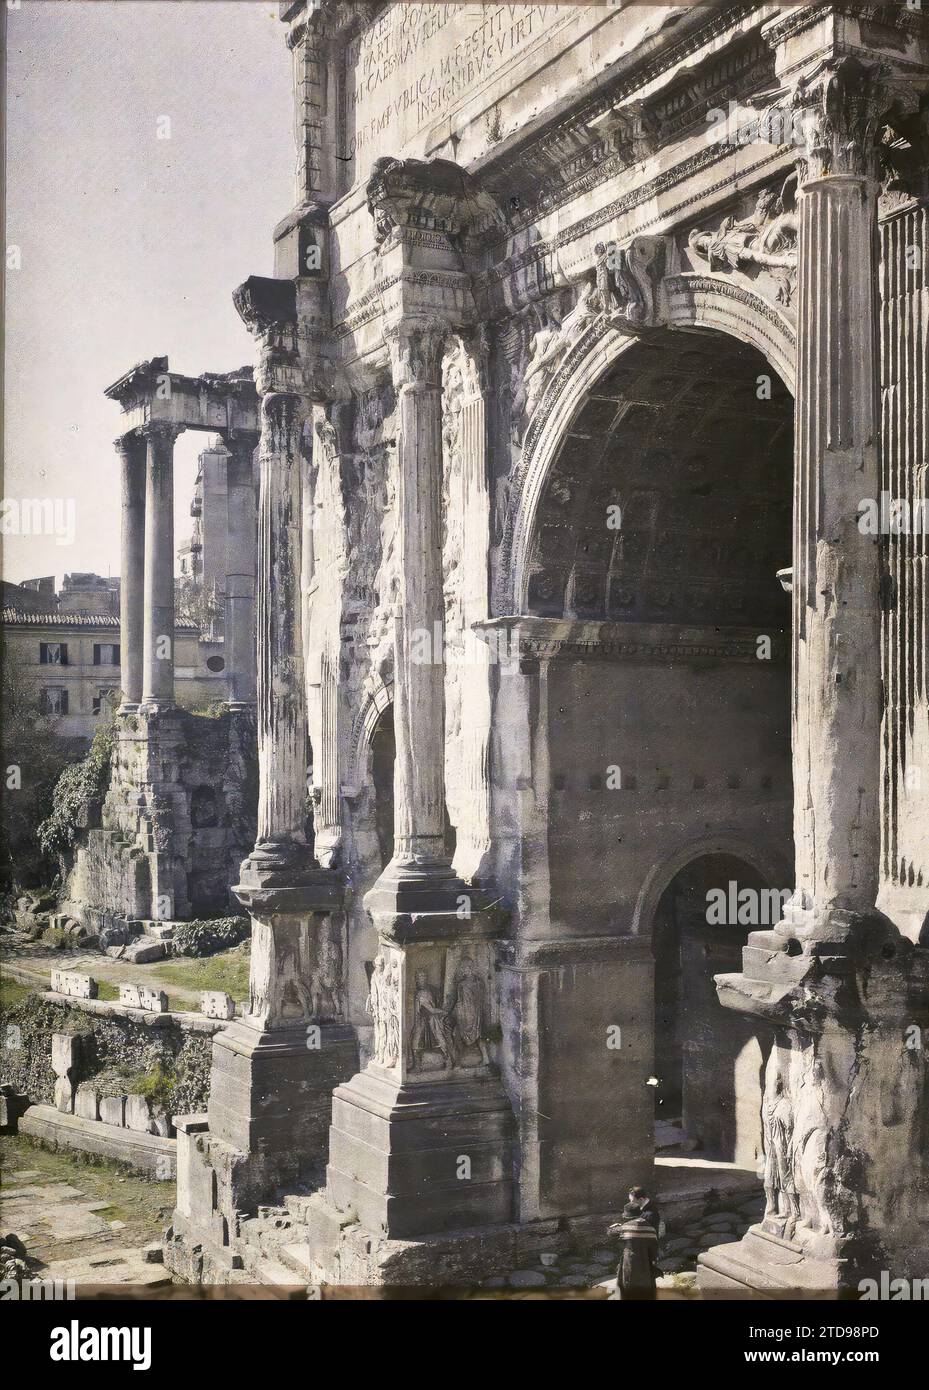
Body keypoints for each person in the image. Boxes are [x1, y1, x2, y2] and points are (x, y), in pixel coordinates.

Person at [608, 1187, 661, 1300]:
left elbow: (611, 1232)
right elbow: (654, 1242)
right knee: (646, 1279)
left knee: (628, 1279)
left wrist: (616, 1227)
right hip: (646, 1255)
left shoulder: (627, 1226)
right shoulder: (648, 1226)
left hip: (631, 1257)